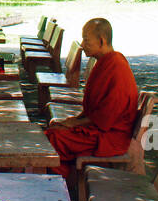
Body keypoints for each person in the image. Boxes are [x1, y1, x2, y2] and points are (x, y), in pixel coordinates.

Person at [44, 17, 139, 184]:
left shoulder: (117, 67)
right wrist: (74, 120)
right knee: (54, 130)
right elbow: (94, 108)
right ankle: (61, 179)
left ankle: (58, 184)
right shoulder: (104, 62)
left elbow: (105, 118)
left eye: (86, 40)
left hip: (110, 137)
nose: (82, 44)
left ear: (101, 41)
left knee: (54, 139)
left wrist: (76, 124)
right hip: (99, 128)